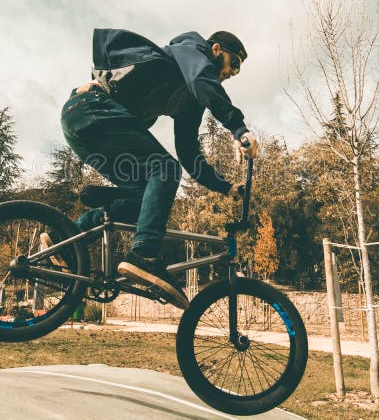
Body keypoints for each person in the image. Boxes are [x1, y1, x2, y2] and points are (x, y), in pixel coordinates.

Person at [60, 29, 259, 310]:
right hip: (92, 110)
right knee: (164, 168)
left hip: (90, 126)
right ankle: (144, 255)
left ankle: (66, 237)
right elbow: (202, 79)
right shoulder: (192, 50)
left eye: (238, 71)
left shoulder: (191, 98)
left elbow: (189, 153)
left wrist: (225, 187)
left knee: (145, 200)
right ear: (215, 50)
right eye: (234, 63)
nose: (233, 73)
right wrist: (238, 128)